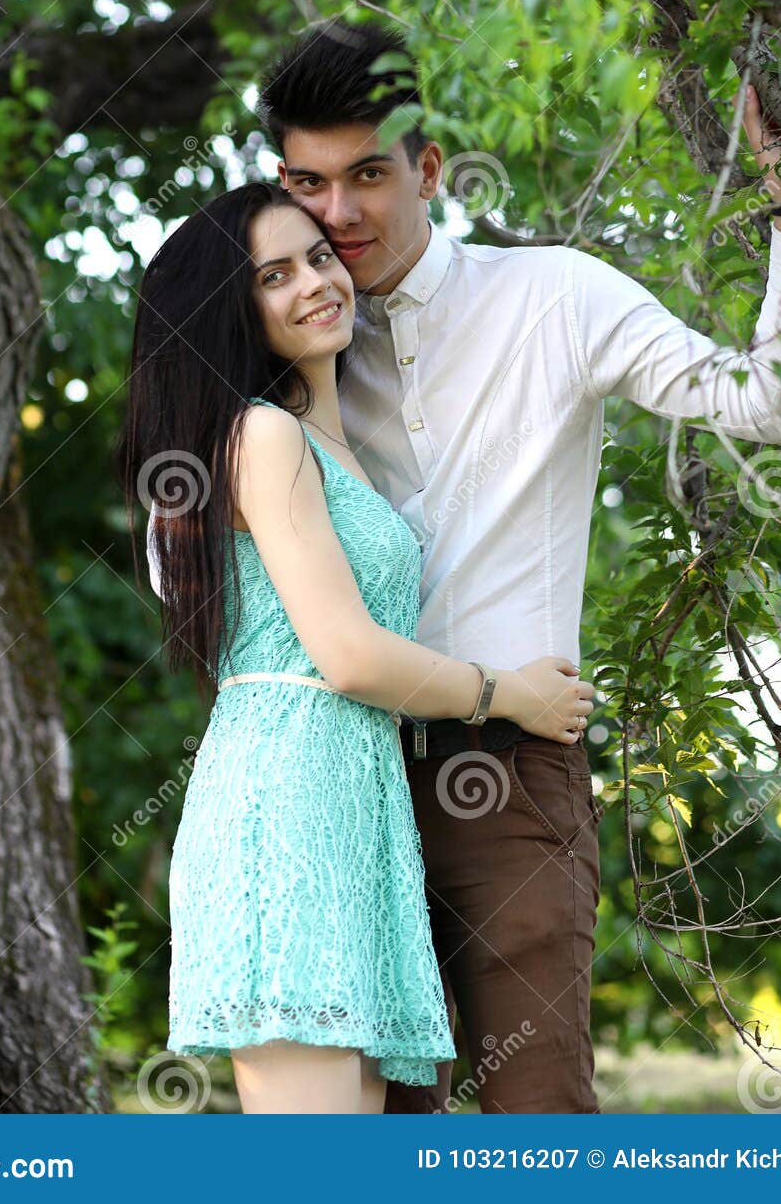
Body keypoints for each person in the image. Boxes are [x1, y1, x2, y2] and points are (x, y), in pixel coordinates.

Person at [257, 18, 781, 1113]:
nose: (337, 214)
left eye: (367, 175)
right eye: (308, 183)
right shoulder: (285, 340)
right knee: (373, 1143)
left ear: (429, 168)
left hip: (511, 767)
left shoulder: (556, 295)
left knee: (537, 1119)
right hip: (338, 771)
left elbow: (770, 402)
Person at [118, 181, 593, 1114]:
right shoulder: (261, 435)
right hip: (288, 811)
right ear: (230, 311)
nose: (314, 283)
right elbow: (349, 657)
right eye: (274, 276)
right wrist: (511, 695)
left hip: (353, 812)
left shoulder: (329, 450)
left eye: (318, 258)